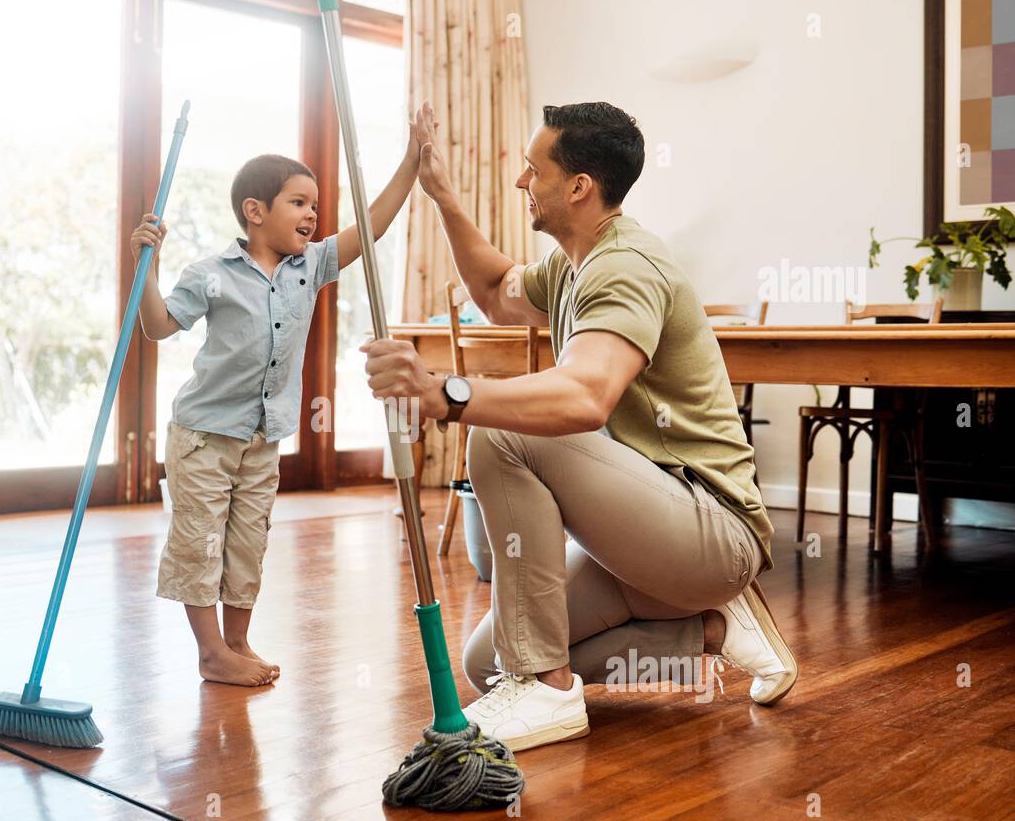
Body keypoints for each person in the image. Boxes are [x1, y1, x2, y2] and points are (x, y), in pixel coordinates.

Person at [361, 101, 798, 751]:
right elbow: (493, 291)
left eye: (531, 170)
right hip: (648, 530)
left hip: (711, 528)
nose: (520, 183)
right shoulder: (573, 264)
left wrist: (445, 394)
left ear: (578, 187)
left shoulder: (626, 264)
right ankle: (712, 630)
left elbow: (586, 396)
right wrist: (443, 193)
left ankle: (549, 693)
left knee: (503, 430)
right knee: (494, 661)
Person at [131, 112, 424, 687]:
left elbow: (371, 227)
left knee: (247, 542)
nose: (312, 214)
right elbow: (159, 326)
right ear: (255, 212)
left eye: (314, 205)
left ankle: (237, 642)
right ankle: (210, 652)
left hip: (263, 439)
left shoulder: (308, 267)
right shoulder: (211, 273)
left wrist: (411, 160)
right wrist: (148, 267)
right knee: (201, 542)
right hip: (204, 438)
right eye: (298, 202)